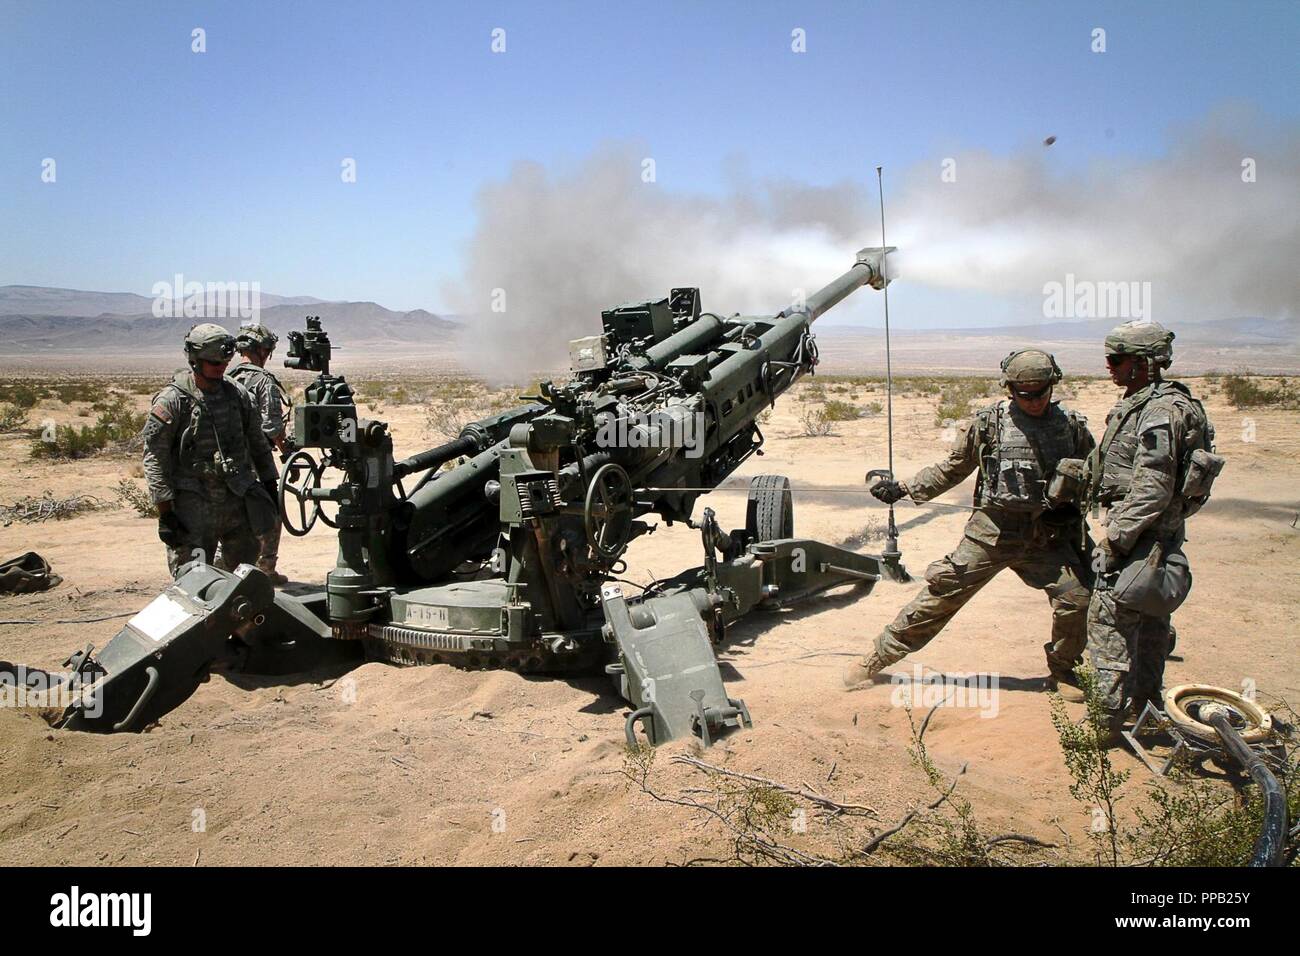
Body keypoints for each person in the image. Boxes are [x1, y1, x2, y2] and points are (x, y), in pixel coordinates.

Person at [843, 349, 1096, 697]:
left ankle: (1063, 671)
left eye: (1042, 391)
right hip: (991, 534)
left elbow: (1093, 474)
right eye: (1026, 393)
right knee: (939, 596)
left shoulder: (1071, 427)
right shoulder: (989, 424)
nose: (1035, 400)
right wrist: (904, 488)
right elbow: (953, 468)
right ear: (1010, 389)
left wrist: (1074, 505)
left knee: (1077, 600)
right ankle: (874, 659)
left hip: (1045, 539)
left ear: (1053, 386)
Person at [1084, 320, 1219, 736]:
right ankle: (1148, 712)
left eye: (1116, 359)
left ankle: (1104, 725)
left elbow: (1153, 487)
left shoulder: (1158, 412)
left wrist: (1117, 538)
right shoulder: (1168, 403)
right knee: (1152, 625)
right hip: (1163, 537)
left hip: (1141, 538)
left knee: (1108, 625)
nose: (1109, 366)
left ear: (1143, 363)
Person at [142, 323, 281, 579]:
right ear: (195, 360)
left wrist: (271, 486)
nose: (220, 368)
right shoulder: (173, 401)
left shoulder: (238, 395)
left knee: (243, 579)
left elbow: (259, 445)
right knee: (194, 582)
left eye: (224, 363)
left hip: (237, 502)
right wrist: (166, 513)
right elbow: (155, 459)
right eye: (213, 363)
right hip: (193, 508)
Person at [226, 322, 291, 585]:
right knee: (271, 515)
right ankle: (265, 571)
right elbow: (272, 426)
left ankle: (224, 573)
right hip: (256, 463)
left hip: (228, 463)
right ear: (262, 350)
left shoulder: (226, 379)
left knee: (232, 519)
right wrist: (287, 449)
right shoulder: (263, 381)